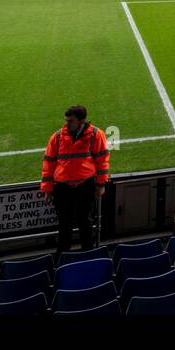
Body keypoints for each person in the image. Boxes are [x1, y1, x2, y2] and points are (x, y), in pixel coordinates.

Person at [40, 105, 111, 254]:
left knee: (85, 223)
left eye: (70, 121)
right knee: (64, 225)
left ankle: (88, 254)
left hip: (85, 187)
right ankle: (62, 256)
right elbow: (48, 163)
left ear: (81, 121)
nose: (67, 123)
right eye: (66, 120)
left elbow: (102, 161)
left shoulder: (96, 135)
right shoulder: (58, 136)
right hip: (62, 188)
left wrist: (101, 184)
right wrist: (47, 189)